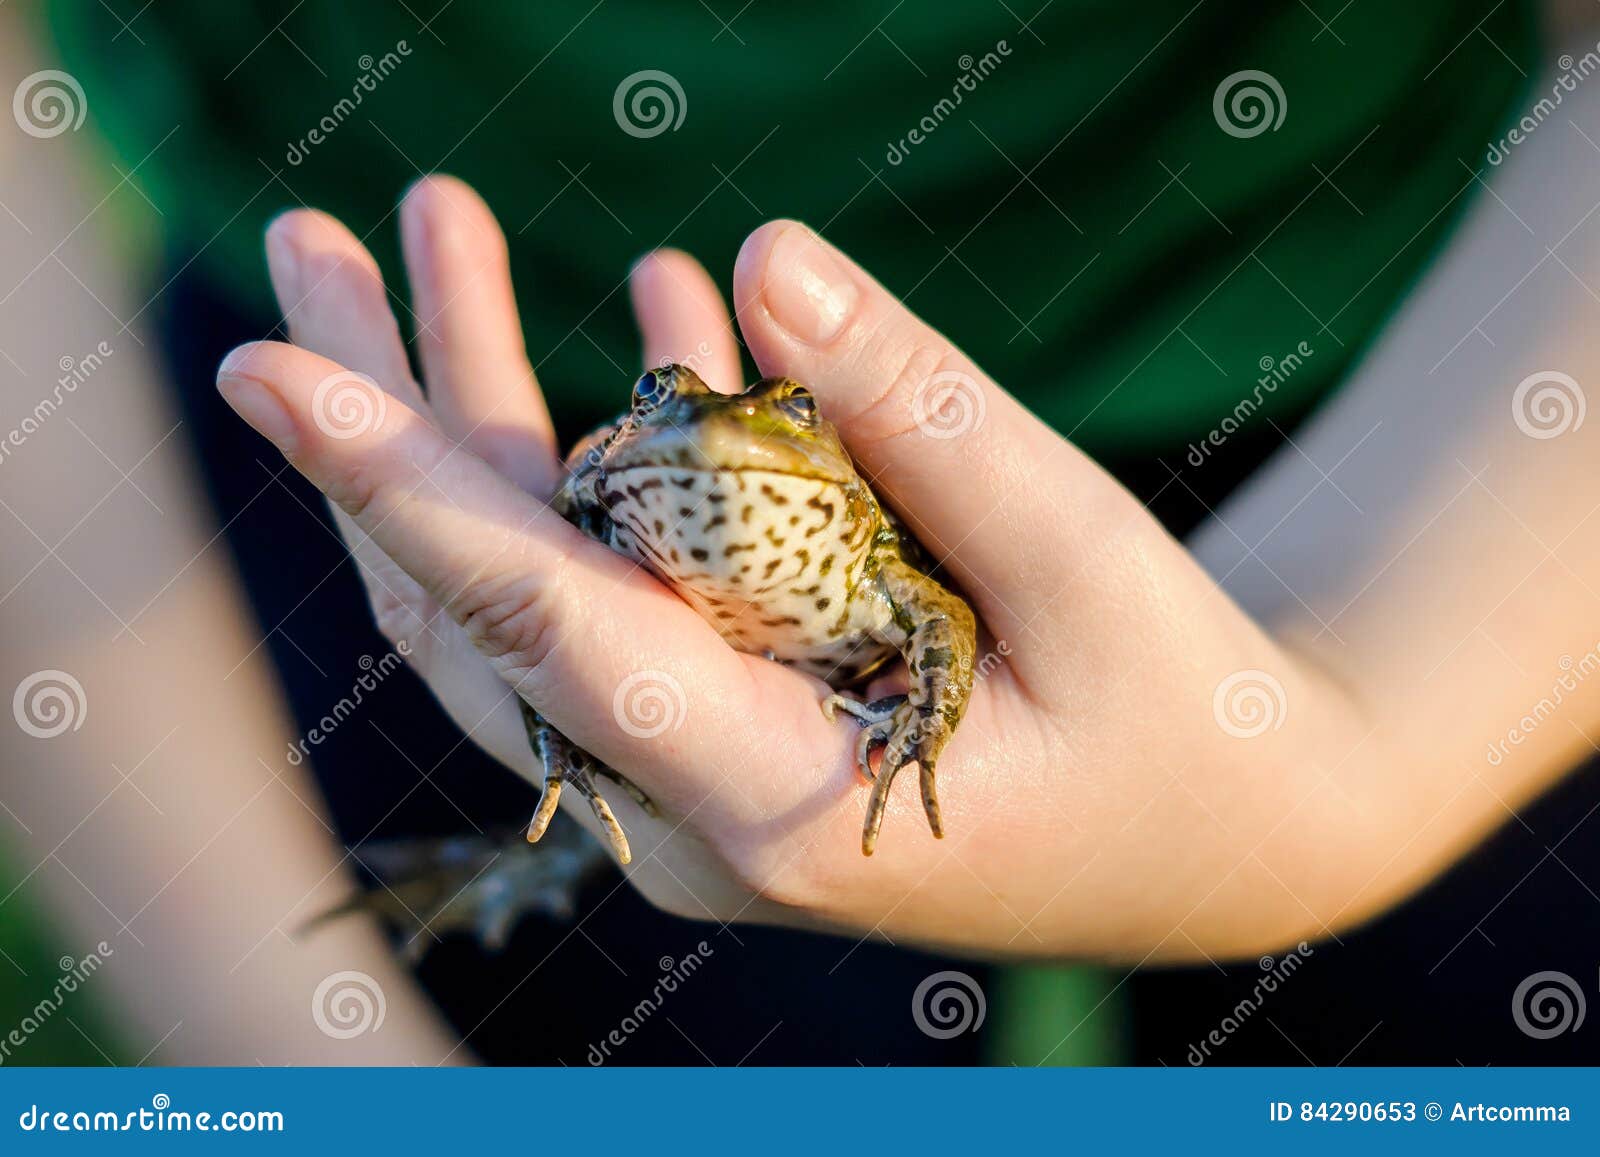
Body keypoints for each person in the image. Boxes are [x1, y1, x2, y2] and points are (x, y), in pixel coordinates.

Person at [7, 0, 1598, 1065]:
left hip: (1431, 376)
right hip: (411, 377)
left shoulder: (847, 527)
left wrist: (1366, 743)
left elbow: (929, 613)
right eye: (679, 411)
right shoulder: (618, 467)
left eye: (750, 417)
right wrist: (293, 1040)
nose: (706, 429)